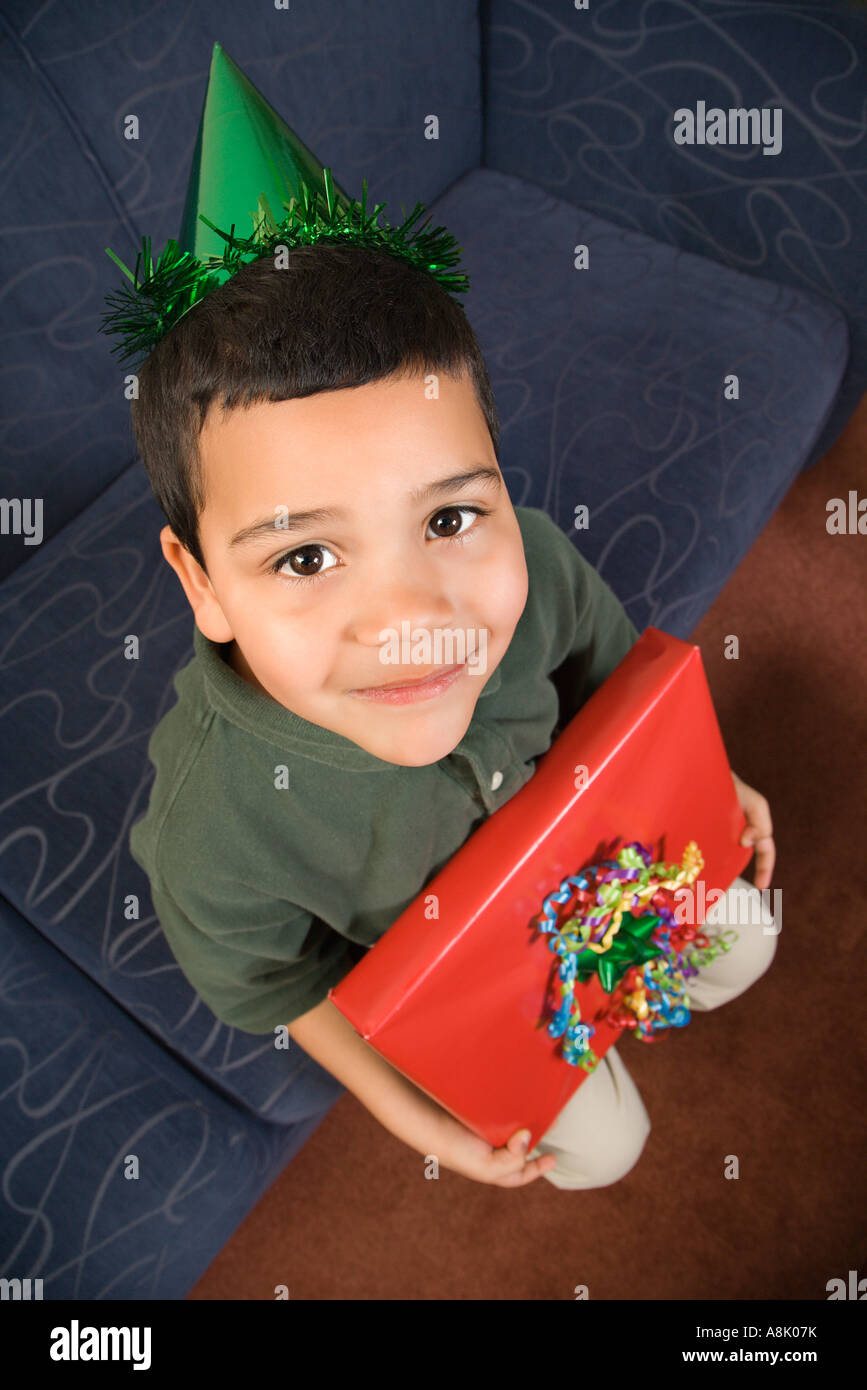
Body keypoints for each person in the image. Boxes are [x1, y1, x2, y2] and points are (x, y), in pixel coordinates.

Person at [107, 47, 777, 1193]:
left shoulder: (544, 573)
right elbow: (283, 988)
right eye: (307, 554)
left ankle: (649, 984)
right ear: (201, 582)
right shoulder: (211, 835)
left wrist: (707, 787)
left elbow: (626, 699)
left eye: (453, 517)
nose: (413, 618)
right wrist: (417, 1120)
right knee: (605, 1149)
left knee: (746, 937)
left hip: (603, 860)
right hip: (472, 975)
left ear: (500, 481)